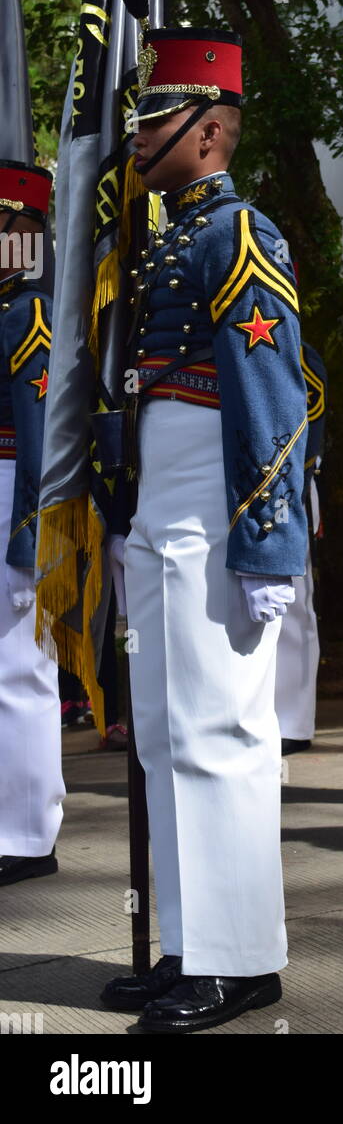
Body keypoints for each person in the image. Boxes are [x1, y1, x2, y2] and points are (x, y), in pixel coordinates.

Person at [99, 18, 309, 1032]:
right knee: (168, 735)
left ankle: (237, 958)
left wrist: (269, 540)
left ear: (211, 131)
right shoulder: (166, 238)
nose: (135, 136)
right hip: (162, 502)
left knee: (222, 729)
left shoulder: (238, 232)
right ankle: (190, 941)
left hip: (215, 506)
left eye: (155, 117)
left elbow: (271, 396)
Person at [0, 161, 65, 887]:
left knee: (19, 668)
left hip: (12, 486)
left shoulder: (31, 313)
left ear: (23, 230)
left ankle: (26, 836)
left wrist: (29, 539)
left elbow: (42, 439)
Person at [275, 341, 325, 756]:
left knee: (293, 601)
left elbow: (310, 418)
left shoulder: (298, 350)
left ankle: (293, 720)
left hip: (286, 482)